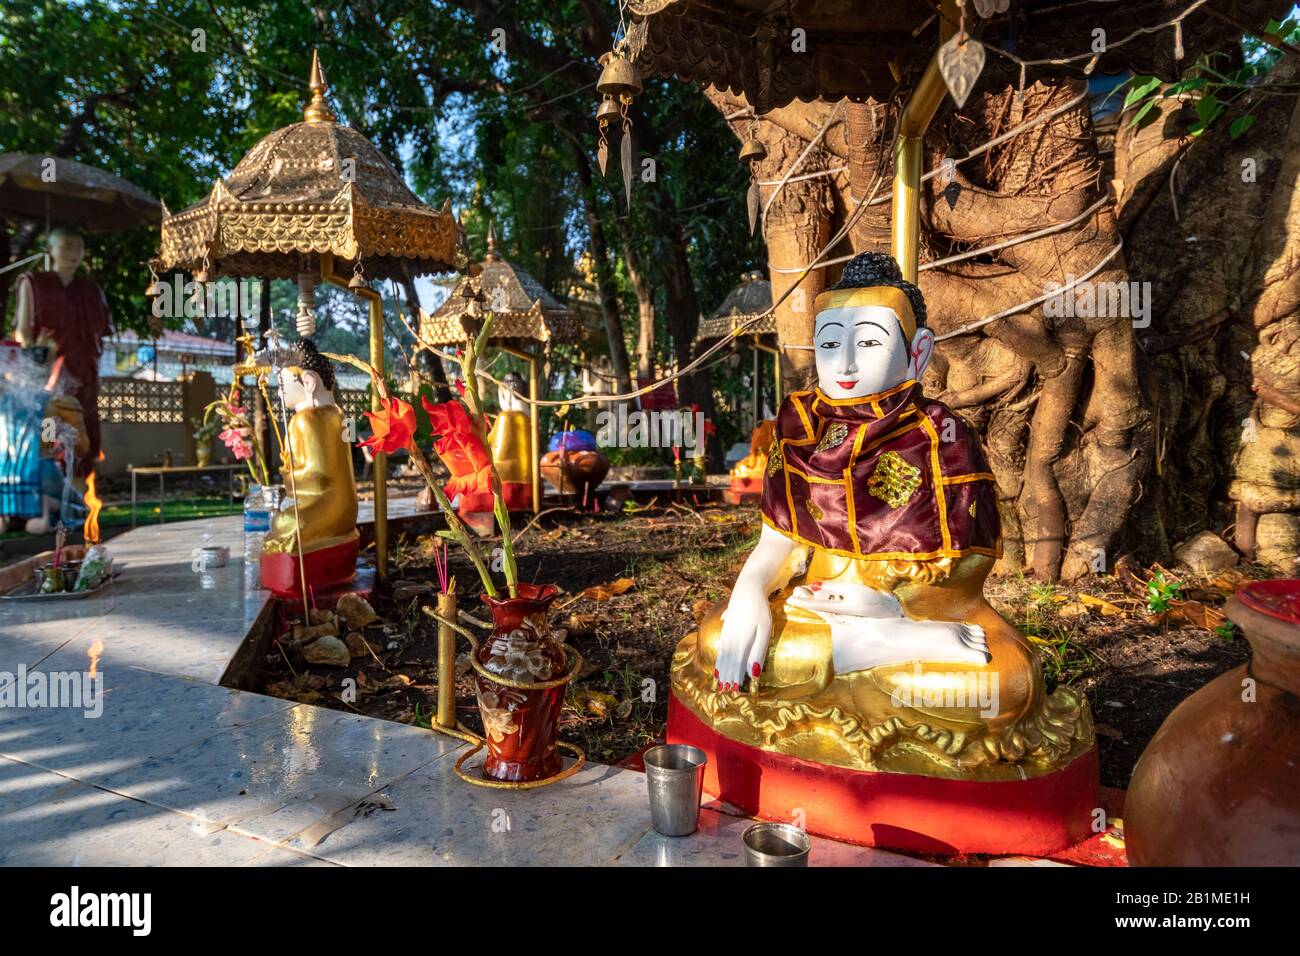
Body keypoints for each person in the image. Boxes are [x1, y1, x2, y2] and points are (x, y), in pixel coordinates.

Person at [675, 252, 1091, 780]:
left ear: (918, 353)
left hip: (926, 615)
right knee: (718, 634)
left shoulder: (943, 437)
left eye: (868, 342)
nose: (845, 365)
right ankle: (860, 649)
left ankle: (863, 647)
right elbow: (777, 546)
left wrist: (888, 606)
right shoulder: (800, 429)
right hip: (820, 608)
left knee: (1006, 681)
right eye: (830, 344)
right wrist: (750, 593)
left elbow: (963, 581)